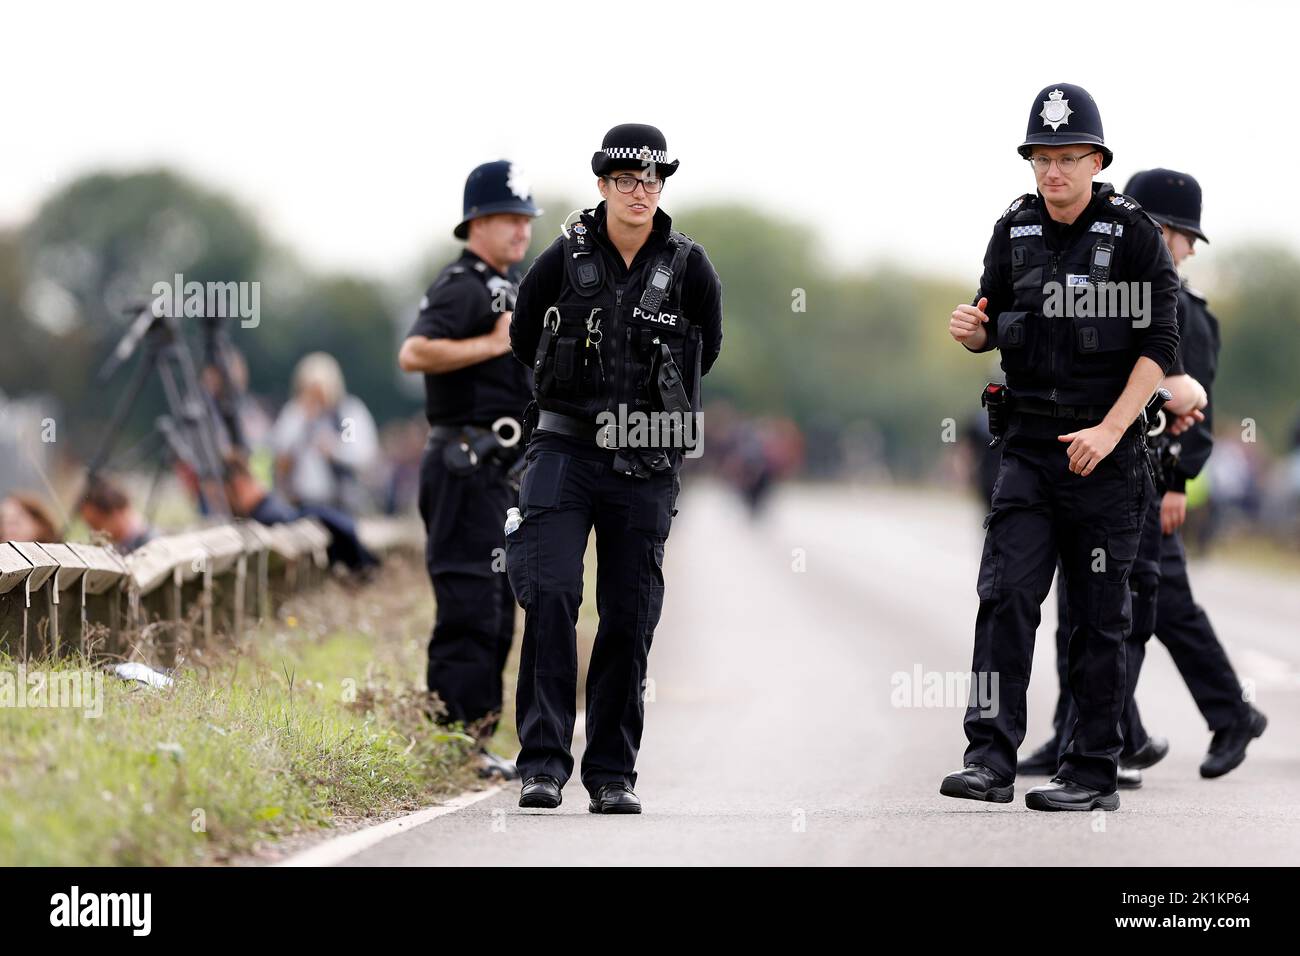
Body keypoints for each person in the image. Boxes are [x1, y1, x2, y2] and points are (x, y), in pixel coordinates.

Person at [943, 84, 1180, 811]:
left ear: (1096, 159)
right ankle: (989, 760)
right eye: (1041, 158)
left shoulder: (1133, 234)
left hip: (1106, 457)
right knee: (1005, 595)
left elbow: (1160, 345)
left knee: (1097, 614)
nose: (1053, 172)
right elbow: (992, 316)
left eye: (1067, 157)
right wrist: (977, 332)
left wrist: (1111, 431)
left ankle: (1090, 772)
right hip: (1029, 446)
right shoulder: (1012, 230)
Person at [1022, 170, 1267, 784]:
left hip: (1148, 484)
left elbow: (1195, 414)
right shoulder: (1112, 294)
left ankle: (1128, 733)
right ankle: (1083, 732)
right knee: (1088, 604)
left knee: (1142, 607)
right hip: (1104, 477)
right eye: (1183, 236)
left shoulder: (1183, 311)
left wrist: (1178, 483)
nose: (1186, 250)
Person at [507, 124, 723, 813]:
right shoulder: (563, 258)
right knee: (550, 594)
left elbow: (705, 350)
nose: (641, 191)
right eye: (626, 180)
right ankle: (542, 763)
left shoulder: (689, 266)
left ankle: (610, 775)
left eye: (652, 180)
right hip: (565, 448)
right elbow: (522, 337)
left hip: (646, 457)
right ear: (601, 184)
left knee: (629, 615)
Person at [398, 160, 542, 780]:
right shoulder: (464, 284)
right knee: (467, 600)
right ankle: (455, 742)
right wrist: (491, 343)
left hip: (497, 471)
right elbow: (414, 352)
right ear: (477, 222)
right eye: (509, 218)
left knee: (494, 603)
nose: (521, 230)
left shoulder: (509, 286)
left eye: (526, 219)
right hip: (463, 463)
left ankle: (476, 739)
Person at [271, 352, 379, 514]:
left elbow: (362, 455)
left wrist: (334, 449)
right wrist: (303, 420)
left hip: (341, 502)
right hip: (300, 502)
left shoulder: (346, 413)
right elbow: (279, 452)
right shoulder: (294, 413)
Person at [78, 475, 155, 553]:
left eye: (96, 524)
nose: (94, 532)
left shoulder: (150, 547)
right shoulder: (127, 546)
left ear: (115, 512)